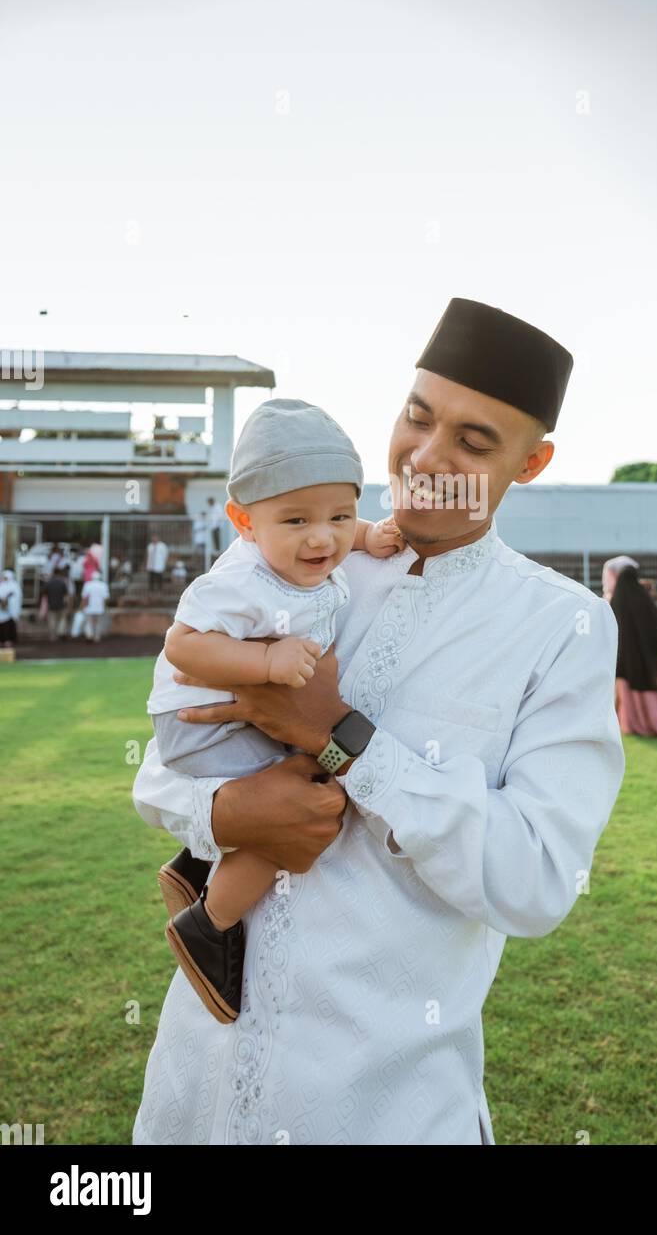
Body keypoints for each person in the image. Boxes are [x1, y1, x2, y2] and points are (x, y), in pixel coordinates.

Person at [131, 296, 625, 1146]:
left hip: (381, 1108)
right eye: (417, 416)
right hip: (194, 1091)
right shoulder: (292, 559)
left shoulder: (559, 626)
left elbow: (537, 878)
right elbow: (163, 764)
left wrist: (344, 739)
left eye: (473, 441)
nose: (426, 456)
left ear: (532, 462)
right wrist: (224, 814)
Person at [147, 400, 403, 1024]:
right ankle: (210, 924)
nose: (323, 538)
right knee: (302, 795)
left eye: (340, 515)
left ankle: (194, 864)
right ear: (243, 522)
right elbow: (181, 645)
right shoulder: (241, 583)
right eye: (296, 520)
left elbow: (338, 530)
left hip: (237, 718)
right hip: (204, 721)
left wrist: (369, 534)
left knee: (303, 776)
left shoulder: (313, 551)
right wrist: (266, 665)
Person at [603, 555, 657, 738]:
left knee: (626, 687)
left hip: (626, 659)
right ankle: (653, 721)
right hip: (648, 659)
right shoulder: (644, 598)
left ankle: (630, 722)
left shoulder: (615, 601)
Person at [80, 568, 111, 641]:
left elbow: (84, 597)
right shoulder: (103, 585)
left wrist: (83, 606)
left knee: (89, 622)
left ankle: (89, 635)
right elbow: (106, 598)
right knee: (98, 622)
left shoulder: (87, 585)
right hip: (100, 607)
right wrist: (105, 606)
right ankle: (97, 637)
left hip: (89, 607)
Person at [45, 567, 71, 640]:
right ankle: (61, 633)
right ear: (60, 573)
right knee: (62, 619)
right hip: (61, 604)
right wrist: (67, 604)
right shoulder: (62, 583)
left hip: (51, 604)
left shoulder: (49, 583)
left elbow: (45, 594)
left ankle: (53, 636)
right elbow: (66, 595)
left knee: (52, 621)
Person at [0, 569, 22, 648]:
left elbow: (16, 599)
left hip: (10, 612)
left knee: (9, 626)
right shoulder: (2, 585)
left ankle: (9, 640)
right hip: (2, 612)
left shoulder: (14, 585)